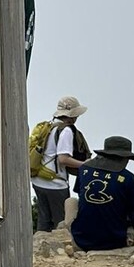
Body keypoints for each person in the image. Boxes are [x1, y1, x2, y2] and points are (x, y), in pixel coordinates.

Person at [71, 135, 134, 252]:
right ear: (124, 158)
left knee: (70, 201)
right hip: (113, 242)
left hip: (80, 238)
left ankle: (67, 230)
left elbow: (81, 196)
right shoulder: (128, 177)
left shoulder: (84, 169)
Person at [30, 96, 91, 233]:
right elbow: (63, 159)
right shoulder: (66, 131)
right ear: (73, 115)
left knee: (44, 221)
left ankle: (40, 249)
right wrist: (84, 164)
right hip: (55, 183)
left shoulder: (49, 126)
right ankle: (58, 251)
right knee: (61, 223)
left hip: (38, 179)